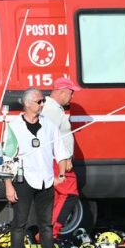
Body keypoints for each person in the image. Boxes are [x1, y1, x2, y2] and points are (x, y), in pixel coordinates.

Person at [3, 88, 72, 248]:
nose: (42, 104)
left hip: (46, 180)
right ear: (27, 104)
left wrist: (62, 174)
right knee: (19, 223)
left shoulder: (49, 125)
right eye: (39, 101)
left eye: (43, 101)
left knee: (46, 224)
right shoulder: (13, 126)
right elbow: (7, 158)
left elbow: (61, 151)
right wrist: (8, 185)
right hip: (23, 179)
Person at [42, 77, 81, 238]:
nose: (72, 97)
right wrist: (64, 160)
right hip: (58, 162)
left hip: (57, 160)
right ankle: (51, 234)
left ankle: (45, 235)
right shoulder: (52, 110)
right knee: (69, 194)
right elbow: (50, 139)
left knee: (58, 197)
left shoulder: (53, 109)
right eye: (71, 93)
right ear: (62, 92)